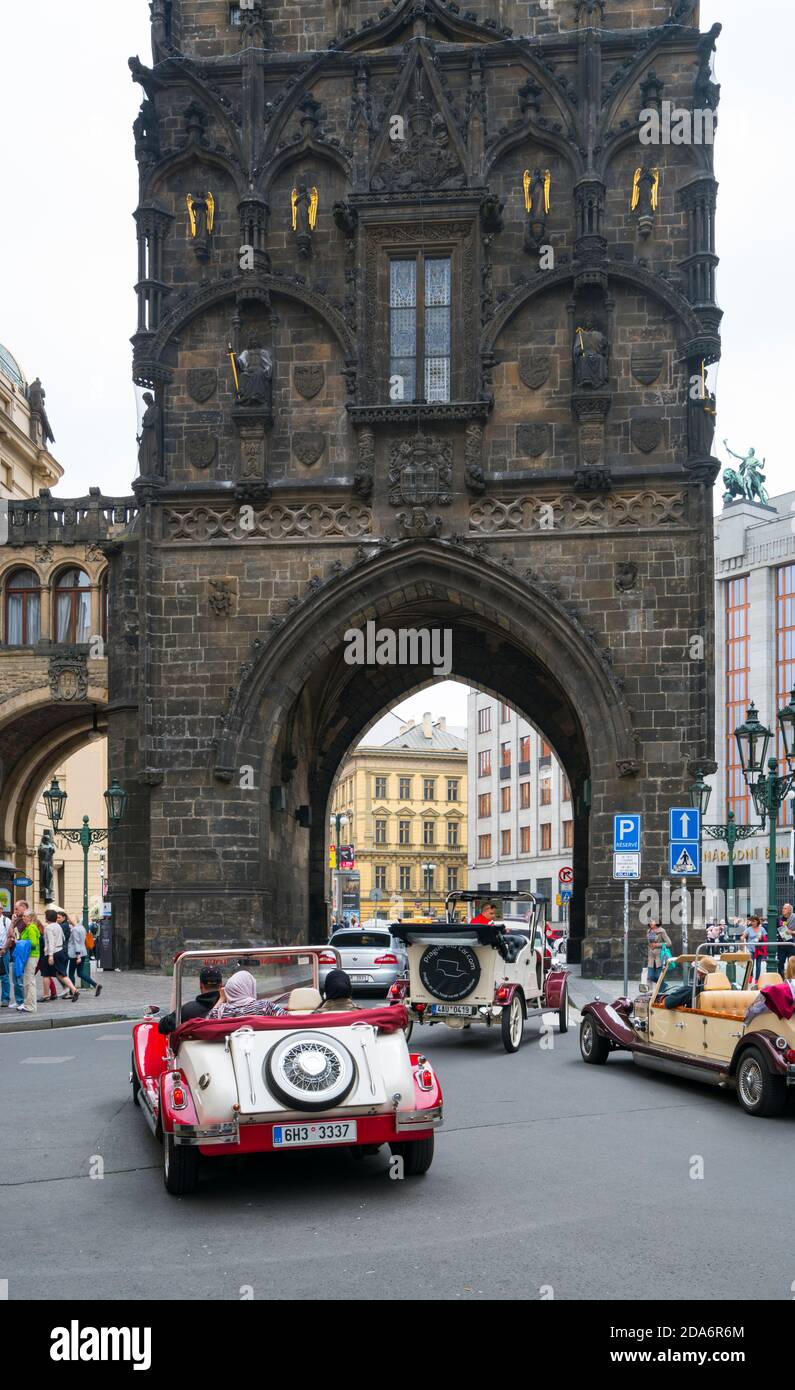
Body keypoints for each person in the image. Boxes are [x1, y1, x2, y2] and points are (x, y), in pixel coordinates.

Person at [158, 966, 222, 1034]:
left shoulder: (187, 1010)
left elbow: (162, 1027)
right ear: (221, 984)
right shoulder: (230, 1008)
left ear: (200, 985)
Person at [206, 970, 286, 1020]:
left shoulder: (219, 1012)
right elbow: (289, 1020)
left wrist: (221, 999)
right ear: (250, 987)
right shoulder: (265, 1007)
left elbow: (206, 1023)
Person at [41, 910, 79, 1003]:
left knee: (45, 974)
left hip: (52, 952)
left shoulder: (49, 928)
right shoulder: (58, 926)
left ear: (47, 918)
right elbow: (63, 938)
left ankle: (46, 996)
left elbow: (51, 941)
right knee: (61, 974)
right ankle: (74, 990)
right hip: (60, 951)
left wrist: (50, 956)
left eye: (45, 916)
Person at [66, 918, 102, 996]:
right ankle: (96, 985)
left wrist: (78, 956)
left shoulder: (75, 930)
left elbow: (76, 942)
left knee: (71, 974)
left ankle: (72, 992)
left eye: (69, 920)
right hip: (83, 952)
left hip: (75, 954)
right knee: (80, 973)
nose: (68, 921)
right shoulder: (82, 928)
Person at [0, 907, 23, 1009]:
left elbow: (10, 936)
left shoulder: (6, 920)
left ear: (1, 909)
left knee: (4, 976)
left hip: (3, 950)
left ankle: (5, 999)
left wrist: (4, 948)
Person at [741, 914, 767, 983]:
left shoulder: (762, 929)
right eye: (751, 921)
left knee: (758, 965)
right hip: (751, 949)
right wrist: (742, 937)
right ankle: (750, 977)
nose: (752, 923)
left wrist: (761, 937)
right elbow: (743, 936)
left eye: (754, 921)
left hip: (759, 949)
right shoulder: (748, 929)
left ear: (757, 921)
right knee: (751, 964)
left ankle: (757, 980)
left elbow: (765, 938)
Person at [777, 902, 795, 980]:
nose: (783, 910)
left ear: (790, 910)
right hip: (782, 945)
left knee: (792, 963)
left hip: (792, 945)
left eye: (785, 908)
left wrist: (792, 932)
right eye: (783, 908)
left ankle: (792, 979)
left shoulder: (794, 918)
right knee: (780, 963)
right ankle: (781, 979)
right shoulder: (779, 919)